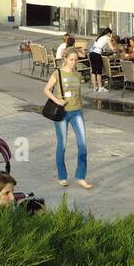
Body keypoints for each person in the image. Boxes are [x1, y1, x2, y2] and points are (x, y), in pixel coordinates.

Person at [44, 49, 91, 189]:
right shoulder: (57, 73)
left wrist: (80, 107)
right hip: (62, 113)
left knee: (82, 144)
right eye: (71, 59)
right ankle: (62, 176)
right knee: (62, 145)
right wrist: (58, 101)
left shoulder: (77, 74)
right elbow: (46, 89)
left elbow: (78, 93)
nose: (74, 62)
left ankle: (81, 176)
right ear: (65, 59)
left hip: (77, 112)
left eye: (76, 60)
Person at [89, 27, 115, 92]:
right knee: (99, 71)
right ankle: (100, 87)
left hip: (92, 53)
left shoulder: (100, 37)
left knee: (93, 71)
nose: (110, 36)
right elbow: (112, 48)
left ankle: (95, 87)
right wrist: (117, 50)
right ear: (108, 33)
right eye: (110, 34)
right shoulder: (107, 38)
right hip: (97, 54)